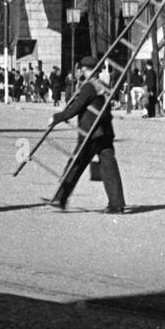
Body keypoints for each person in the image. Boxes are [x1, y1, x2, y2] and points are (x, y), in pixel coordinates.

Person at [46, 56, 125, 214]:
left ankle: (60, 198)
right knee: (109, 167)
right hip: (105, 132)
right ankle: (117, 204)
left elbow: (75, 108)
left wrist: (56, 118)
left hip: (90, 133)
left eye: (82, 69)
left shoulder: (89, 86)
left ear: (86, 69)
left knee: (75, 165)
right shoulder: (102, 85)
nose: (81, 71)